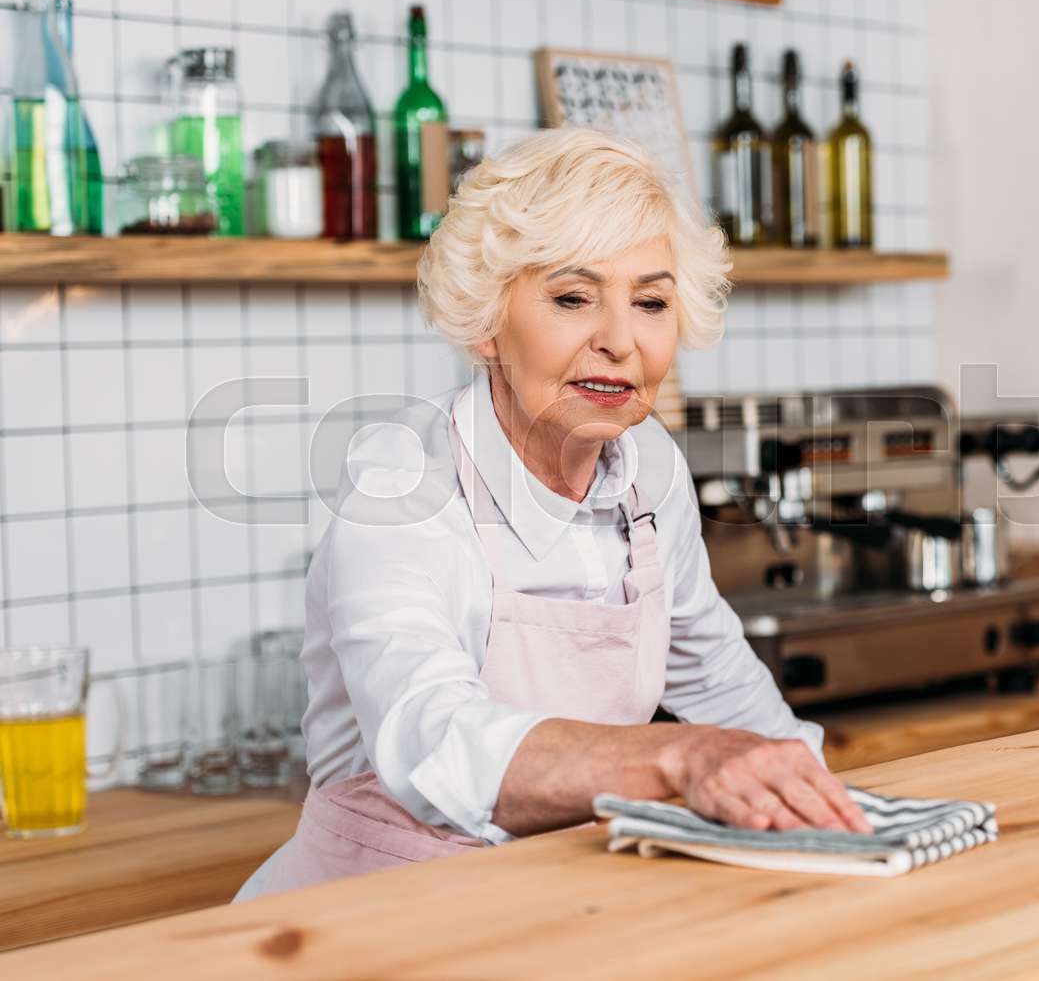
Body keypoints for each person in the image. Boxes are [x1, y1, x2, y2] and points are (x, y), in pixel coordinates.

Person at [235, 128, 869, 901]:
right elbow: (430, 735)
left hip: (559, 899)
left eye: (651, 302)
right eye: (572, 298)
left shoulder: (650, 472)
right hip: (367, 914)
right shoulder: (404, 483)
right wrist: (678, 759)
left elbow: (720, 680)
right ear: (484, 324)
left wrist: (825, 812)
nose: (619, 341)